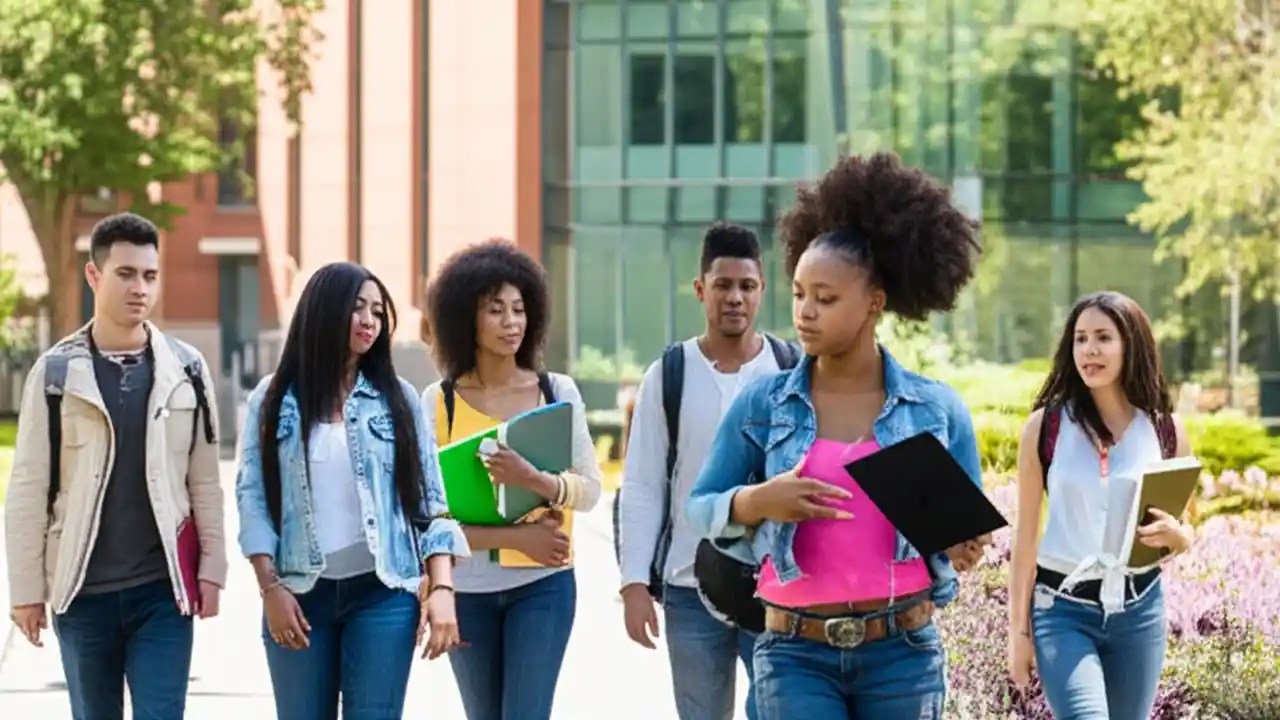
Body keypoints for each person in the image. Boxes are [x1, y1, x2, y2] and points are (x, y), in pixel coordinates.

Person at [686, 152, 988, 718]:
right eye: (799, 293)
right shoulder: (764, 404)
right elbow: (700, 507)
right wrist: (758, 501)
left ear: (874, 303)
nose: (805, 312)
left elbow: (963, 537)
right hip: (795, 651)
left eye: (825, 299)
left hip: (903, 653)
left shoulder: (937, 409)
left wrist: (962, 545)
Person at [4, 212, 225, 720]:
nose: (140, 288)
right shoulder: (55, 374)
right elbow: (29, 490)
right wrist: (26, 593)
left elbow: (205, 481)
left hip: (162, 594)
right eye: (126, 274)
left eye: (150, 275)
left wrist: (212, 569)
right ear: (94, 276)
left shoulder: (186, 369)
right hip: (83, 596)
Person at [235, 262, 468, 720]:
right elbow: (253, 498)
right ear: (323, 311)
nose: (368, 321)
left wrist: (442, 588)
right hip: (298, 593)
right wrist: (270, 589)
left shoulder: (397, 398)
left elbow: (432, 506)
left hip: (382, 594)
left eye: (377, 312)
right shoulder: (273, 396)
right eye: (357, 308)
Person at [618, 222, 798, 720]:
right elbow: (642, 485)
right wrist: (634, 582)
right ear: (701, 290)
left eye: (746, 285)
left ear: (763, 290)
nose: (735, 298)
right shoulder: (669, 374)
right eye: (722, 285)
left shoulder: (791, 370)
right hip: (688, 584)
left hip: (777, 583)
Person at [422, 238, 602, 720]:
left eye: (519, 309)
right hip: (467, 591)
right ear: (466, 318)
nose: (511, 322)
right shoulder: (436, 404)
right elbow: (426, 522)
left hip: (544, 585)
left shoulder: (555, 392)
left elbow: (590, 490)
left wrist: (534, 479)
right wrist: (514, 536)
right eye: (496, 310)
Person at [1007, 290, 1195, 719]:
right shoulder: (1046, 427)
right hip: (1062, 610)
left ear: (1131, 345)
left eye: (1103, 338)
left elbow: (1184, 526)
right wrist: (1018, 633)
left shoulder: (1165, 430)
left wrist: (1180, 536)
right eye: (1080, 338)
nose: (1089, 349)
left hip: (1139, 611)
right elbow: (1025, 539)